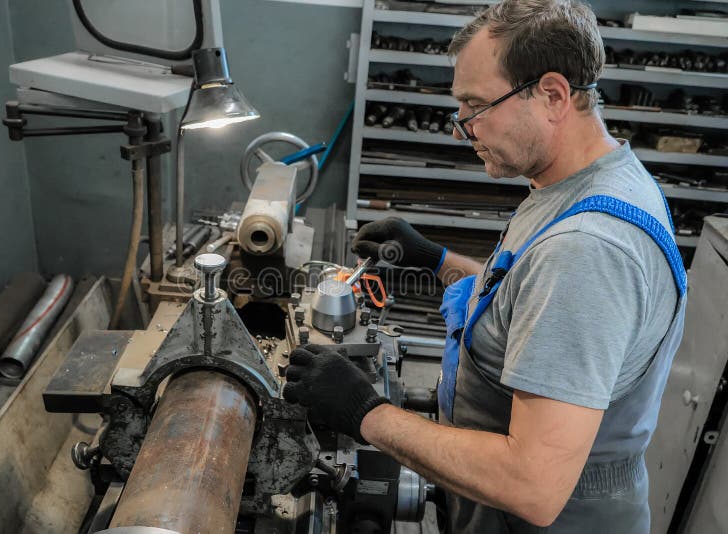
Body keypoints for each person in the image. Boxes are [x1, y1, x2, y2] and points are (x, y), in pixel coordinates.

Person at [282, 0, 687, 532]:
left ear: (552, 95)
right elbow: (526, 301)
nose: (460, 129)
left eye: (475, 106)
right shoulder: (584, 184)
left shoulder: (587, 249)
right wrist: (437, 260)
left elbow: (531, 485)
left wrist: (366, 412)